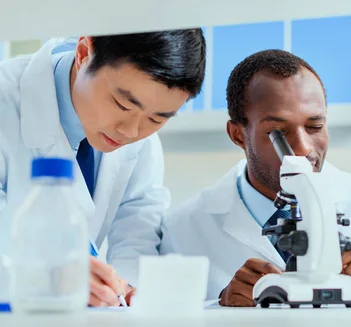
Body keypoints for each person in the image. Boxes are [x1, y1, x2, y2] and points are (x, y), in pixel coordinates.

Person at [159, 49, 351, 307]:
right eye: (277, 132)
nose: (303, 149)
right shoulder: (182, 228)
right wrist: (219, 306)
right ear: (238, 135)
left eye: (315, 127)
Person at [0, 30, 206, 307]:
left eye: (157, 119)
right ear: (84, 53)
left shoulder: (141, 141)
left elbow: (137, 236)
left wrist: (127, 287)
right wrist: (45, 277)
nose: (131, 131)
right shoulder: (7, 100)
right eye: (122, 104)